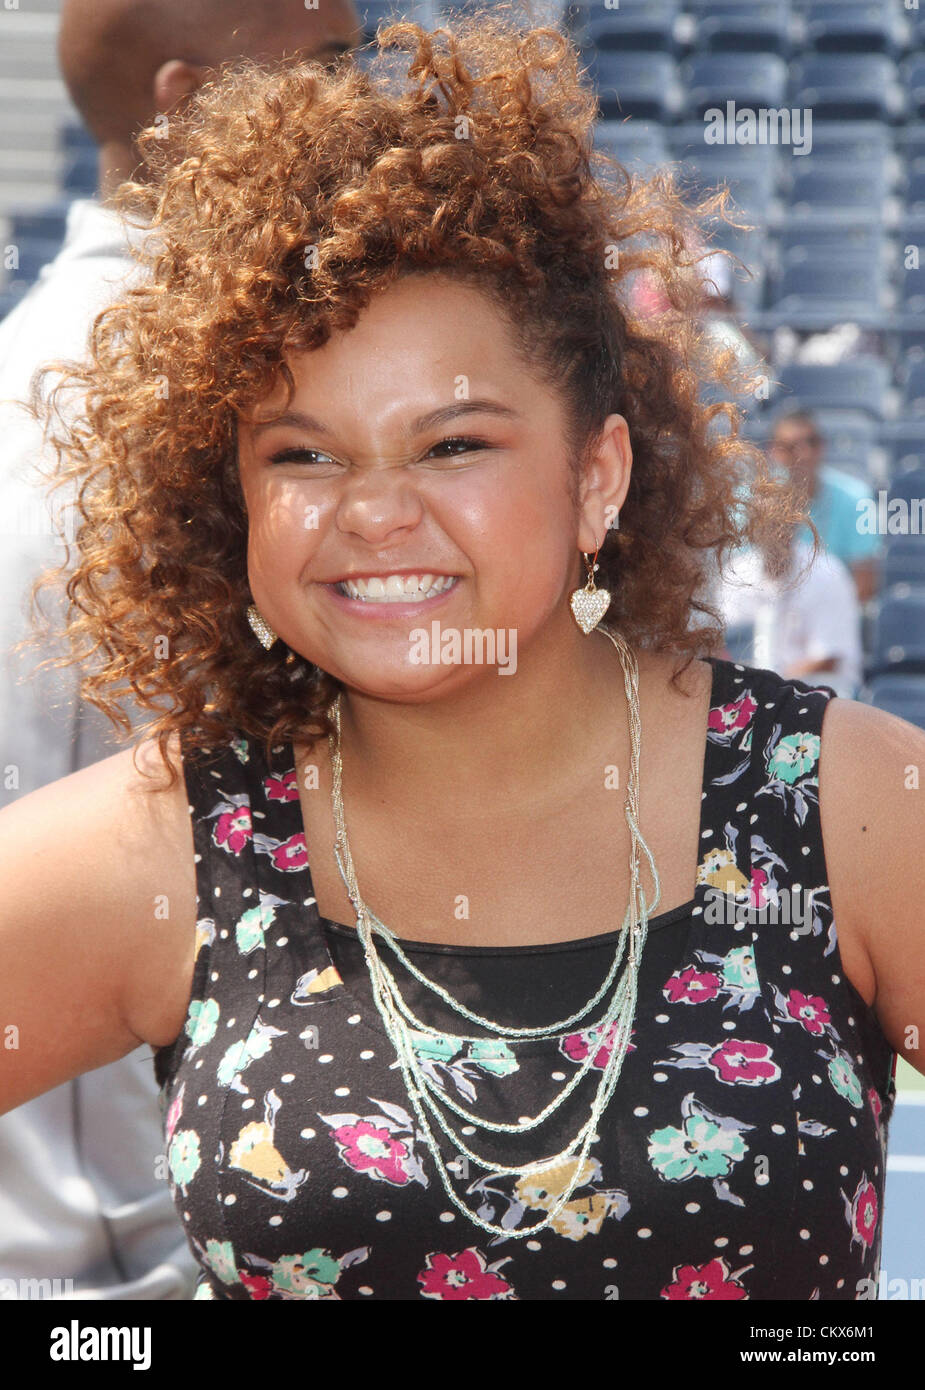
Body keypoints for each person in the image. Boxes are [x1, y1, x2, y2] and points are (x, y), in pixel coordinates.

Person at [2, 6, 922, 1301]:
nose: (373, 512)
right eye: (301, 453)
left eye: (454, 444)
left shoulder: (850, 806)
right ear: (235, 501)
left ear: (597, 472)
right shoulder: (171, 844)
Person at [0, 0, 361, 1300]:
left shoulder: (130, 375)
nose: (367, 108)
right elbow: (120, 885)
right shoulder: (114, 422)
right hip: (119, 1270)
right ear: (186, 103)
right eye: (327, 69)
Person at [713, 530, 863, 698]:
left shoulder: (828, 571)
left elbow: (828, 660)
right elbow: (727, 647)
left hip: (820, 691)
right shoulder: (735, 573)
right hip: (754, 692)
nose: (774, 531)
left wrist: (770, 683)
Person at [768, 410, 882, 605]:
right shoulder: (752, 502)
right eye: (791, 447)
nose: (803, 454)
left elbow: (864, 585)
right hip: (769, 613)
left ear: (822, 446)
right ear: (775, 452)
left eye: (811, 443)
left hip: (834, 616)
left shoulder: (857, 498)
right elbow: (744, 575)